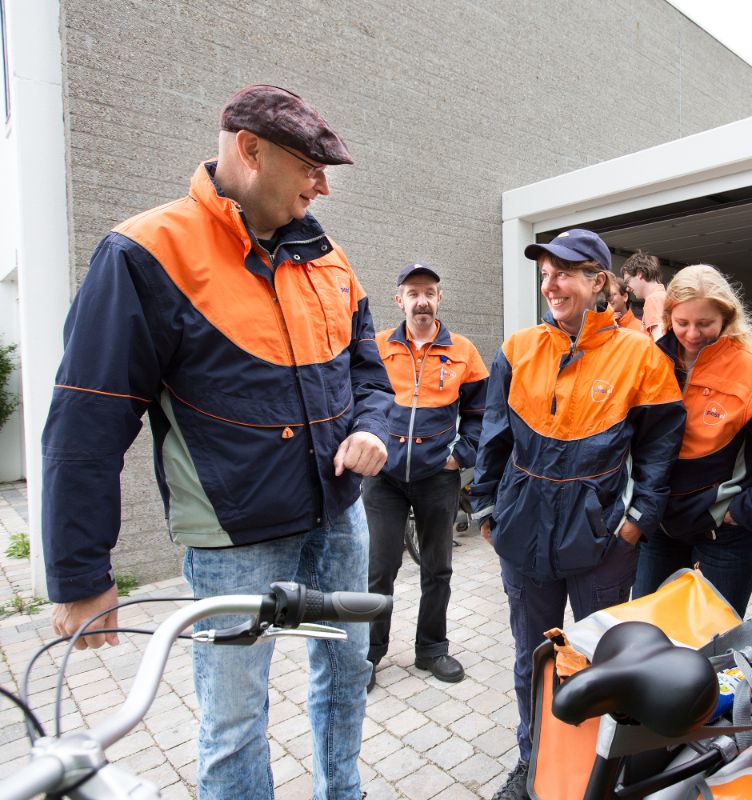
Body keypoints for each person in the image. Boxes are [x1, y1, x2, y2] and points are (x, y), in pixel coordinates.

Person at [41, 85, 392, 800]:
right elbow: (88, 421)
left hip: (340, 514)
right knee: (234, 719)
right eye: (310, 167)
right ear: (250, 149)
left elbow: (370, 375)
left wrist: (371, 428)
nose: (323, 185)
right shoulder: (145, 251)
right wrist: (81, 576)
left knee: (349, 673)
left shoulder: (329, 257)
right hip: (234, 541)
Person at [472, 229, 685, 800]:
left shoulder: (639, 353)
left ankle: (596, 772)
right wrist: (488, 508)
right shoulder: (517, 349)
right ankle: (532, 762)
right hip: (524, 536)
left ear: (599, 282)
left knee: (600, 664)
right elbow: (493, 439)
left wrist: (637, 519)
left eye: (566, 271)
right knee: (532, 660)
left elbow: (662, 446)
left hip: (601, 544)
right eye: (546, 272)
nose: (552, 283)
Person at [631, 265, 752, 617]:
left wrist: (744, 511)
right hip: (660, 528)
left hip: (725, 534)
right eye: (683, 322)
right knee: (643, 630)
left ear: (727, 317)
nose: (692, 334)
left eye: (705, 324)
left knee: (711, 644)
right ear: (669, 315)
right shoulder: (652, 360)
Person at [363, 262, 488, 688]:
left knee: (438, 568)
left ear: (439, 299)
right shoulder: (377, 346)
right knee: (379, 569)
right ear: (399, 300)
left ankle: (431, 648)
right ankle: (369, 654)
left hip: (439, 477)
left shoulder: (463, 351)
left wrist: (461, 455)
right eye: (413, 292)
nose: (422, 300)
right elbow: (355, 397)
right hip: (384, 478)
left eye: (429, 292)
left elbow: (480, 413)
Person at [621, 249, 668, 339]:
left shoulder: (653, 299)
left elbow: (659, 341)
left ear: (640, 274)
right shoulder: (663, 296)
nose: (627, 288)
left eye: (627, 281)